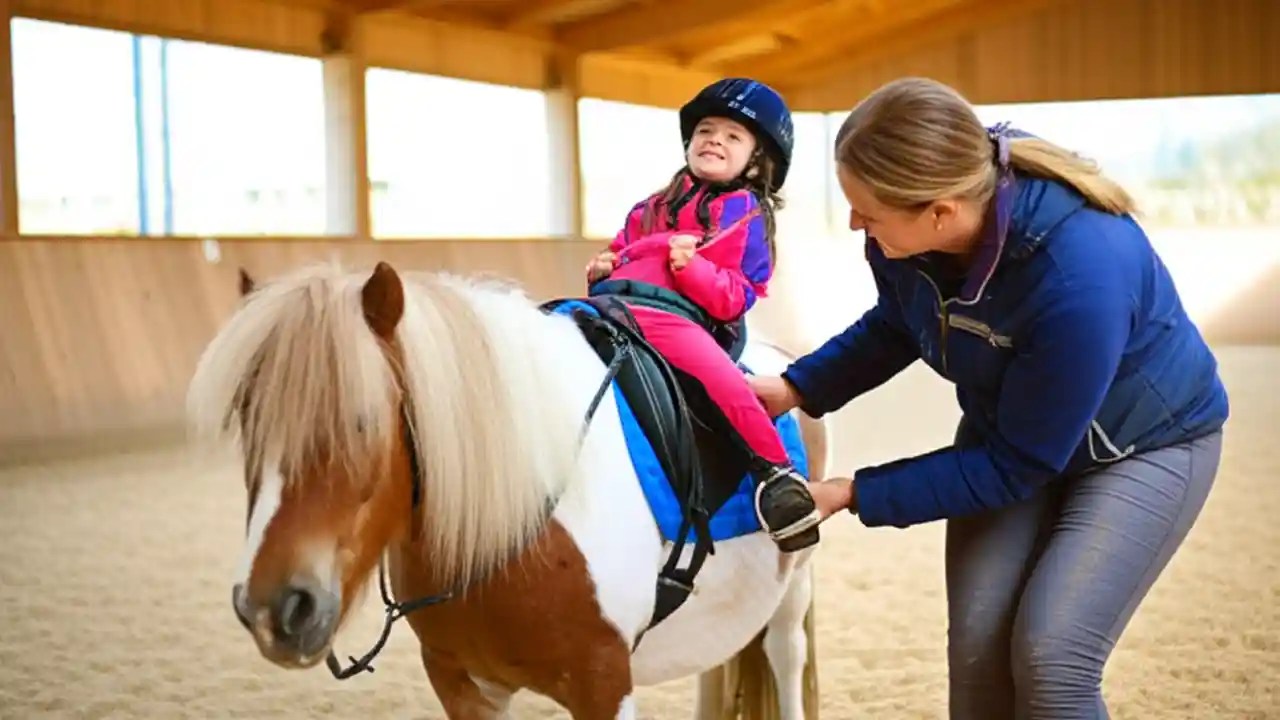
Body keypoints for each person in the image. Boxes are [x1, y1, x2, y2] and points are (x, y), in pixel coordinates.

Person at [749, 76, 1230, 717]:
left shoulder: (1079, 276)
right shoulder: (907, 232)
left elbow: (1018, 466)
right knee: (976, 653)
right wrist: (796, 388)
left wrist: (850, 492)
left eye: (867, 210)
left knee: (1052, 656)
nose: (856, 221)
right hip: (1014, 427)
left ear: (940, 212)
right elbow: (899, 322)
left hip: (1144, 444)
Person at [584, 77, 822, 553]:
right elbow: (619, 249)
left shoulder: (745, 214)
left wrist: (691, 271)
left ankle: (776, 476)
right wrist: (602, 268)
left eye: (732, 136)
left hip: (677, 319)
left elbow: (735, 296)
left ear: (756, 160)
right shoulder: (649, 206)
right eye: (705, 131)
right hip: (611, 307)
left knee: (725, 382)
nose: (713, 138)